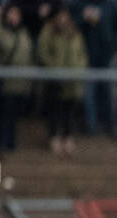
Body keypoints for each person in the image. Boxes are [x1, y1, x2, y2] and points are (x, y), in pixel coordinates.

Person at [0, 3, 34, 152]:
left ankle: (10, 144)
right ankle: (1, 144)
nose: (15, 17)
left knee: (13, 116)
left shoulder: (23, 32)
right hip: (3, 83)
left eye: (17, 14)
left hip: (20, 83)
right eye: (12, 13)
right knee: (2, 114)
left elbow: (28, 54)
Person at [36, 3, 88, 156]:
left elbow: (82, 54)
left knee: (69, 110)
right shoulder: (47, 31)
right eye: (60, 15)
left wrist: (78, 71)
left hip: (72, 80)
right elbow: (43, 53)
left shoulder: (74, 31)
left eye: (65, 15)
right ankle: (54, 137)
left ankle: (68, 137)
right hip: (55, 79)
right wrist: (55, 71)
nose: (62, 18)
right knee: (55, 109)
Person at [72, 0, 117, 137]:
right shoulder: (80, 5)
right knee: (89, 94)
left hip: (107, 56)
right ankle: (91, 127)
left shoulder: (112, 5)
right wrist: (83, 18)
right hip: (86, 56)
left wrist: (114, 47)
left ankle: (111, 126)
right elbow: (72, 25)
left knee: (110, 94)